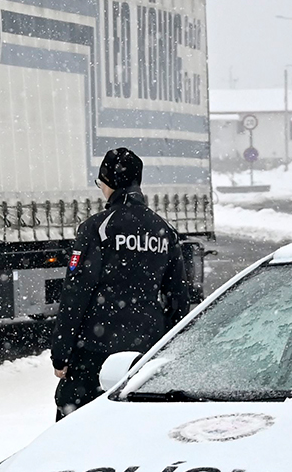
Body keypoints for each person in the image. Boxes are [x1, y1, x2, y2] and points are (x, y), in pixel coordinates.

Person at [51, 147, 197, 419]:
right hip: (145, 351)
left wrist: (61, 352)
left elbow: (76, 292)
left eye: (101, 183)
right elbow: (178, 298)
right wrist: (165, 349)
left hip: (95, 350)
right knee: (135, 422)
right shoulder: (163, 230)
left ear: (110, 183)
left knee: (76, 425)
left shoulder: (97, 228)